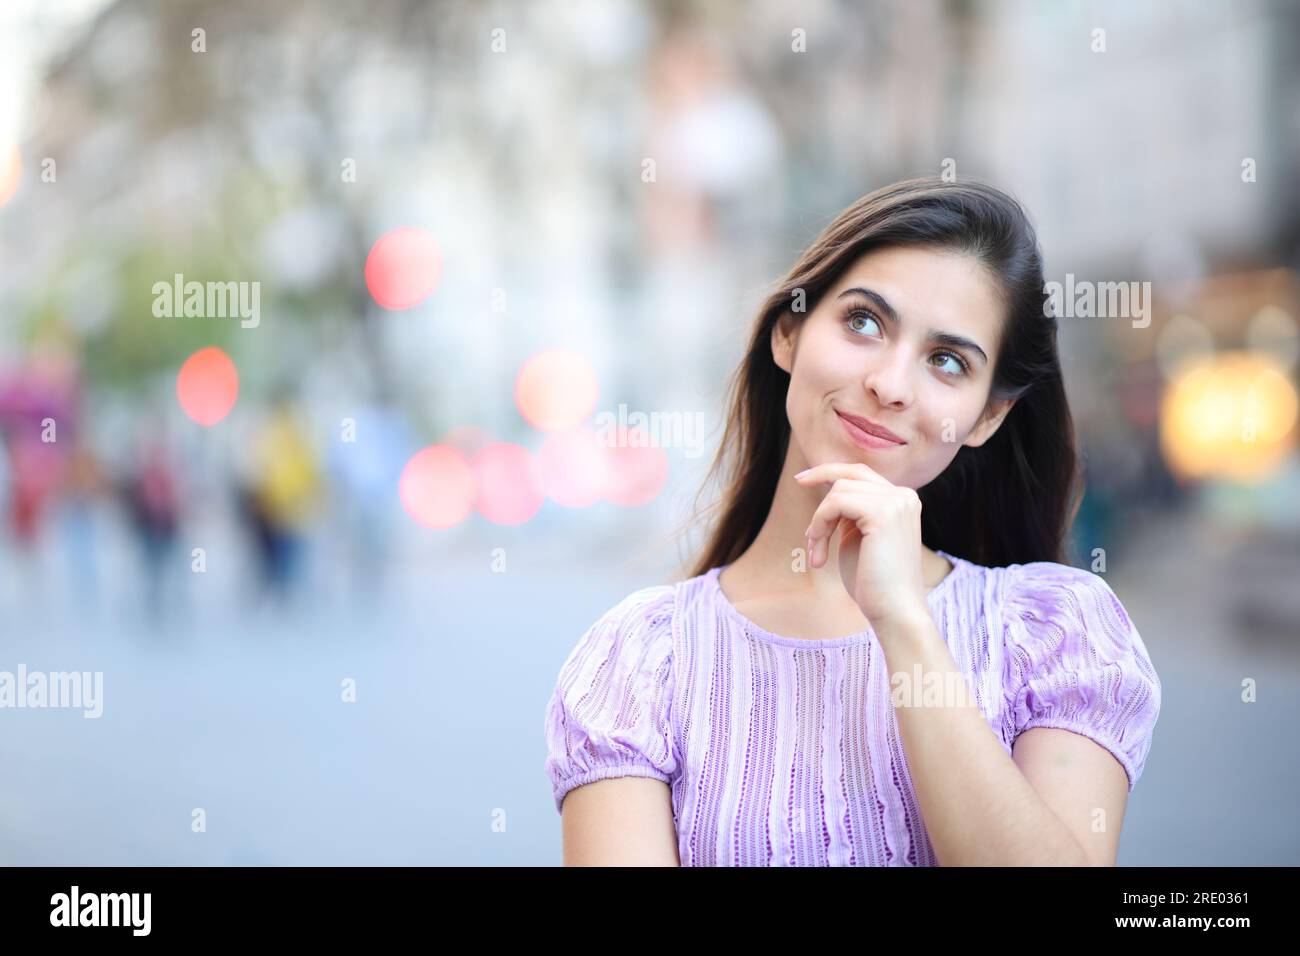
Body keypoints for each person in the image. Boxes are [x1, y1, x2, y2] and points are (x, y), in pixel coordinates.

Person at [543, 178, 1162, 866]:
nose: (890, 384)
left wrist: (903, 622)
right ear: (789, 332)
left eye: (947, 362)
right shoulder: (643, 661)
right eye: (864, 322)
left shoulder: (1055, 633)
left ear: (988, 417)